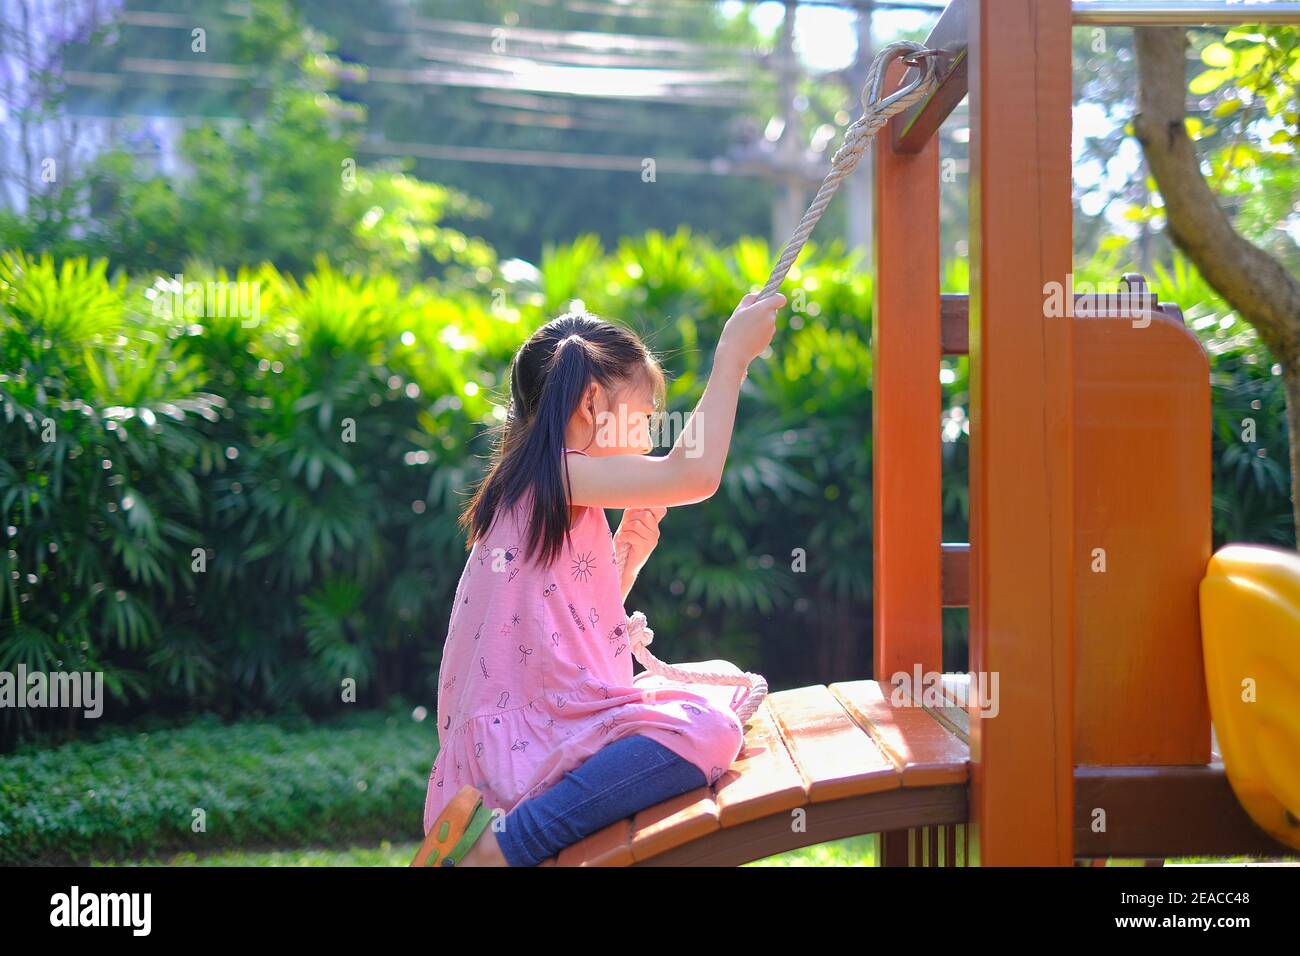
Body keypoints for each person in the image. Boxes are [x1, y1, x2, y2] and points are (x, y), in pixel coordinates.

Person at [413, 290, 785, 866]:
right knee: (709, 729)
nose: (648, 438)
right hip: (524, 745)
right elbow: (693, 475)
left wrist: (622, 566)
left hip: (532, 729)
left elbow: (549, 634)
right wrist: (732, 358)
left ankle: (503, 836)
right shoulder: (553, 475)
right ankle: (502, 847)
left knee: (725, 683)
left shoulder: (539, 484)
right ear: (592, 403)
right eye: (645, 419)